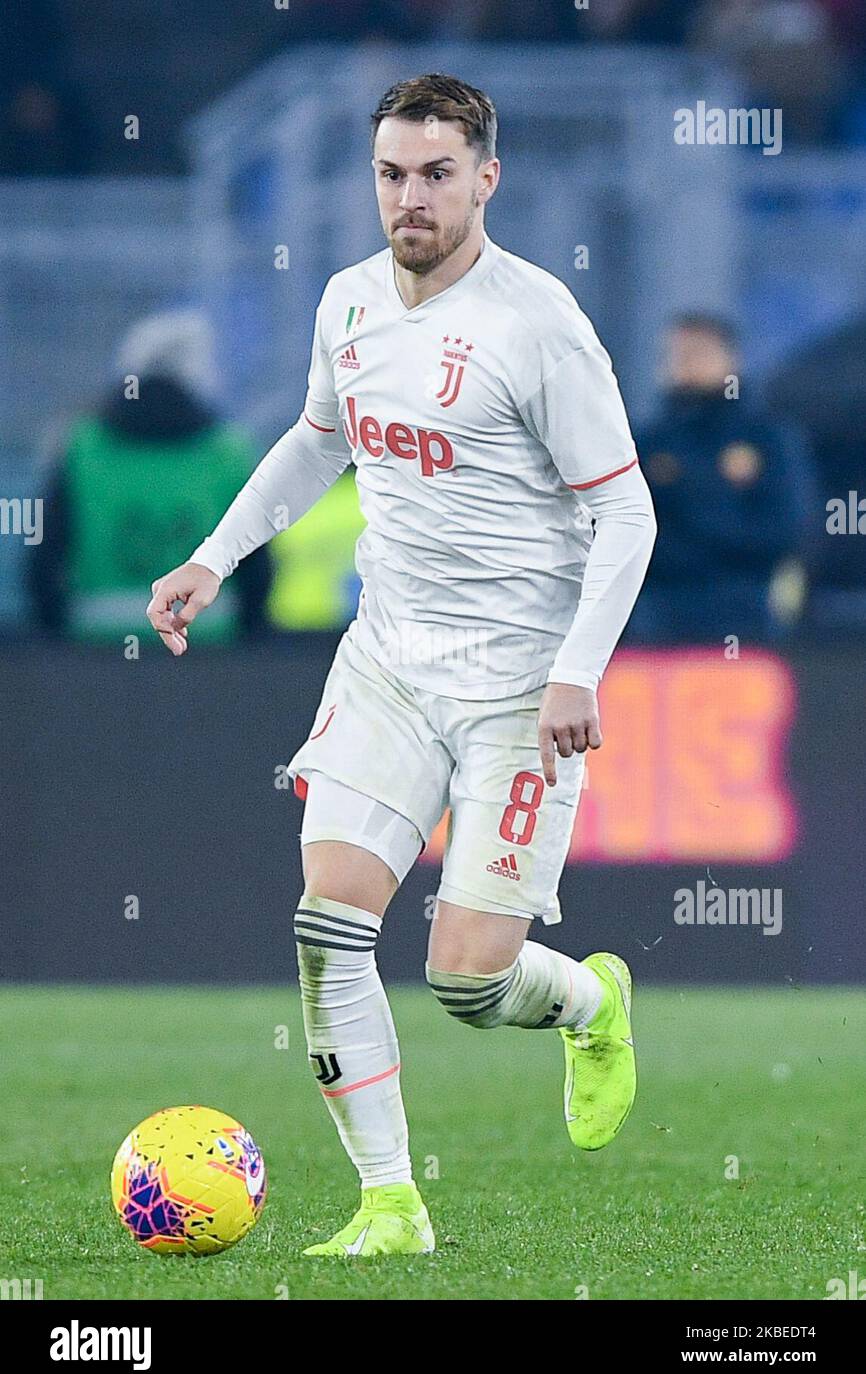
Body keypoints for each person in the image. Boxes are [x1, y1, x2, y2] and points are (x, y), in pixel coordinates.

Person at [147, 74, 657, 1257]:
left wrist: (577, 671)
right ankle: (389, 1204)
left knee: (469, 981)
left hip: (516, 685)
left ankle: (590, 1001)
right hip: (387, 659)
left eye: (435, 174)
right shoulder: (347, 303)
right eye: (390, 173)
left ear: (487, 177)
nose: (409, 198)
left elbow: (624, 513)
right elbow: (317, 438)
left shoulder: (537, 325)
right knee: (328, 920)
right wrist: (214, 558)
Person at [30, 311, 270, 644]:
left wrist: (52, 642)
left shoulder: (84, 448)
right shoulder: (227, 453)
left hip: (96, 650)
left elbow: (43, 559)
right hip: (208, 649)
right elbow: (257, 569)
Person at [629, 312, 817, 642]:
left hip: (742, 614)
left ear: (731, 359)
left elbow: (785, 529)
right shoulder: (644, 443)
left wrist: (691, 497)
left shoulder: (768, 440)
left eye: (700, 353)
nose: (686, 364)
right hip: (652, 617)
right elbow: (623, 531)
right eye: (677, 355)